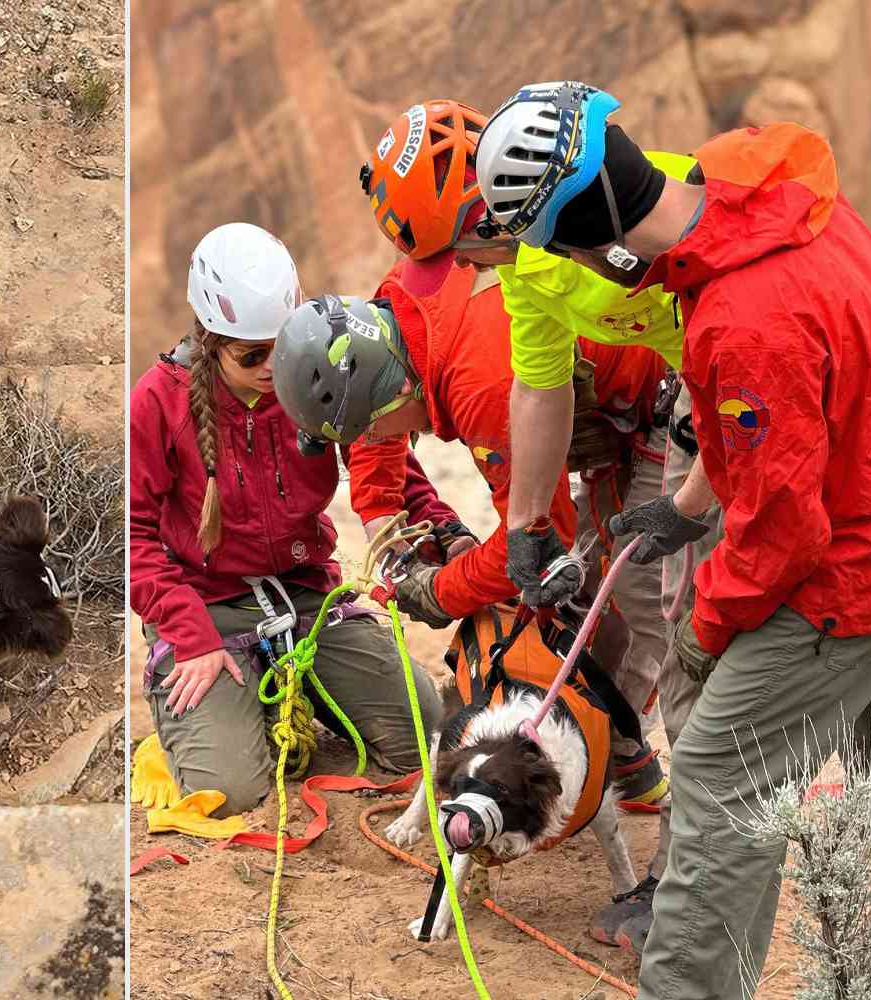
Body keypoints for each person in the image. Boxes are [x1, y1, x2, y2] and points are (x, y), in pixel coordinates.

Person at [478, 80, 871, 999]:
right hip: (855, 512)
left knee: (715, 769)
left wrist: (705, 628)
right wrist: (693, 505)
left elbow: (785, 534)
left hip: (846, 576)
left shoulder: (741, 316)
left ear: (583, 231)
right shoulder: (763, 195)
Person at [357, 97, 701, 946]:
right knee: (597, 600)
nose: (455, 275)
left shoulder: (476, 358)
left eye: (460, 254)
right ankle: (629, 757)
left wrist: (442, 584)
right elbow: (531, 409)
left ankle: (685, 877)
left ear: (485, 219)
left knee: (673, 620)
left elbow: (532, 542)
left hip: (684, 396)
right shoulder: (488, 273)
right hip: (632, 411)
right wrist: (441, 534)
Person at [128, 222, 450, 823]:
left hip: (307, 596)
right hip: (204, 606)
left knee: (424, 741)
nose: (274, 367)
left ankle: (283, 695)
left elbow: (387, 460)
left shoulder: (323, 366)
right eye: (253, 355)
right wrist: (190, 637)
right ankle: (180, 737)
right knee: (229, 791)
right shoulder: (157, 401)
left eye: (283, 345)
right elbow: (134, 539)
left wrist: (444, 534)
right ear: (209, 338)